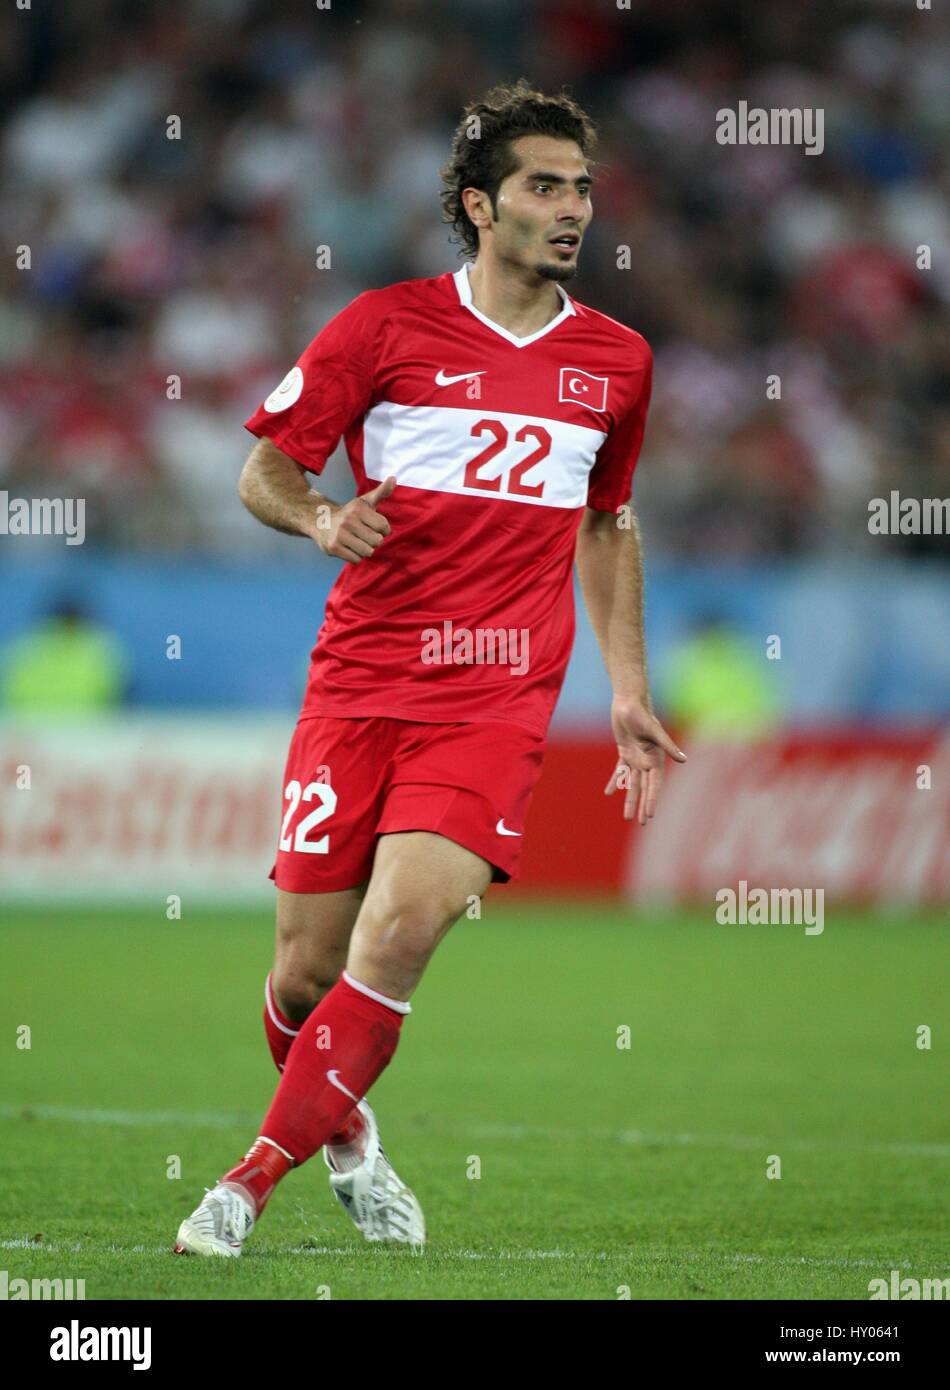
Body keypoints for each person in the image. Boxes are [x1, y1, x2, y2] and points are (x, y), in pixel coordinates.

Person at [175, 79, 685, 1257]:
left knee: (398, 932)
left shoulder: (615, 360)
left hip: (496, 695)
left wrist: (623, 687)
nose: (570, 210)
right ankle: (345, 1136)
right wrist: (317, 519)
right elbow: (264, 470)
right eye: (542, 187)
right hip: (359, 682)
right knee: (304, 979)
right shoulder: (383, 327)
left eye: (581, 188)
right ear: (478, 203)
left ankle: (244, 1184)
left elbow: (607, 524)